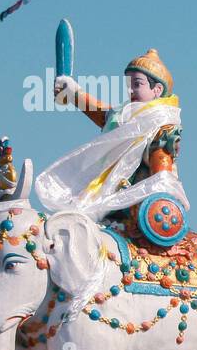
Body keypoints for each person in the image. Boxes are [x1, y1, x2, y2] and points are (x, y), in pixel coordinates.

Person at [35, 49, 187, 235]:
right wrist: (73, 92)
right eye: (129, 84)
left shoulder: (161, 124)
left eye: (137, 84)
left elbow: (161, 177)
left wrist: (158, 200)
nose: (131, 90)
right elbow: (105, 115)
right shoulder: (125, 116)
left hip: (137, 204)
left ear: (157, 90)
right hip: (111, 199)